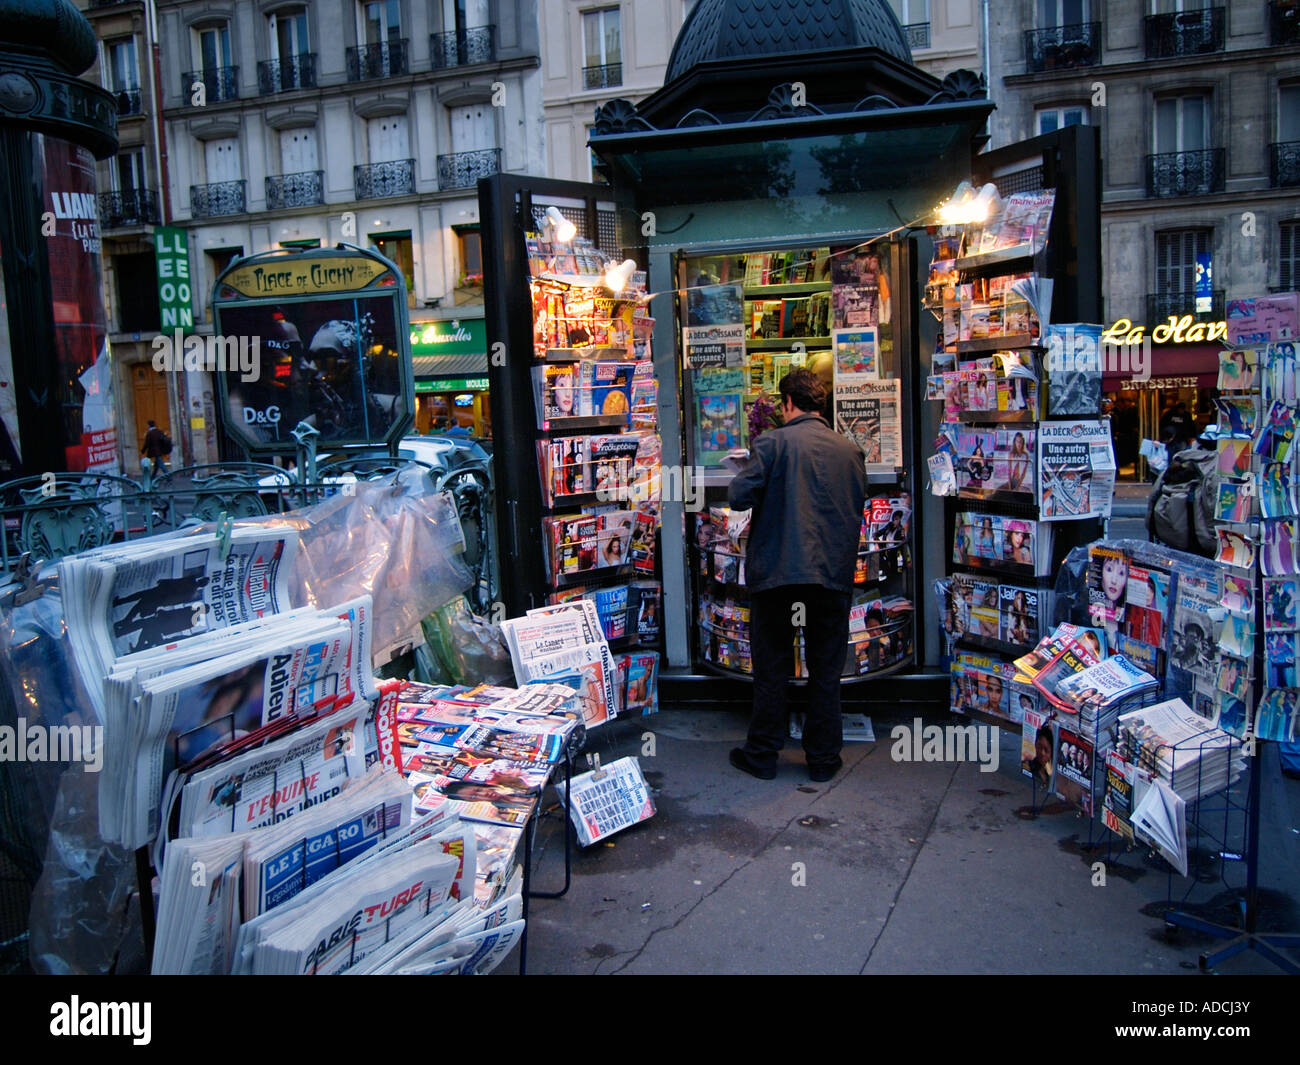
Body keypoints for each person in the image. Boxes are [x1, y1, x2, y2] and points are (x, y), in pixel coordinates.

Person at [727, 369, 867, 782]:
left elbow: (738, 496)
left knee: (772, 669)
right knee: (826, 671)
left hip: (778, 575)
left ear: (788, 402)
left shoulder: (772, 442)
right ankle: (823, 761)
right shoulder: (849, 450)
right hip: (831, 575)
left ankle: (763, 755)